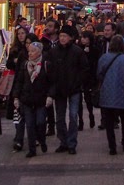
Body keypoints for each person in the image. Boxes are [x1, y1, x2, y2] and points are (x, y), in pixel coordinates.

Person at [48, 24, 88, 155]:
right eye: (60, 36)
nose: (62, 38)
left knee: (73, 116)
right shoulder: (54, 52)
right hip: (59, 89)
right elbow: (50, 70)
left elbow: (84, 69)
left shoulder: (77, 51)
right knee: (59, 118)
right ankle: (63, 141)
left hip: (74, 89)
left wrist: (78, 83)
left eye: (64, 36)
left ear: (70, 37)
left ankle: (71, 143)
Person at [97, 34, 124, 155]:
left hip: (107, 92)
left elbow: (99, 74)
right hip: (122, 93)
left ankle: (112, 146)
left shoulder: (103, 58)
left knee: (109, 121)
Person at [12, 41, 51, 158]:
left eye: (33, 51)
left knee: (40, 122)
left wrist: (50, 96)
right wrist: (16, 97)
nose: (30, 53)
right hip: (27, 100)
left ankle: (42, 140)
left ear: (39, 52)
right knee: (29, 125)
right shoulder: (25, 65)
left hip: (41, 100)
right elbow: (19, 82)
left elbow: (51, 82)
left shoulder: (45, 65)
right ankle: (32, 149)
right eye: (29, 51)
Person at [6, 25, 29, 149]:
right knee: (18, 110)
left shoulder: (30, 49)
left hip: (29, 84)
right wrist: (13, 62)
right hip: (17, 83)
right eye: (19, 33)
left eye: (23, 33)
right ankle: (18, 137)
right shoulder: (14, 49)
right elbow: (8, 64)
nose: (21, 35)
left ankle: (31, 136)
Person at [77, 30, 99, 130]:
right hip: (80, 77)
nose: (83, 39)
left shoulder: (94, 49)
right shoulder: (78, 49)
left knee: (88, 99)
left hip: (89, 78)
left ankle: (91, 115)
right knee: (78, 101)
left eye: (85, 38)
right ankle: (80, 121)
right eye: (82, 37)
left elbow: (94, 64)